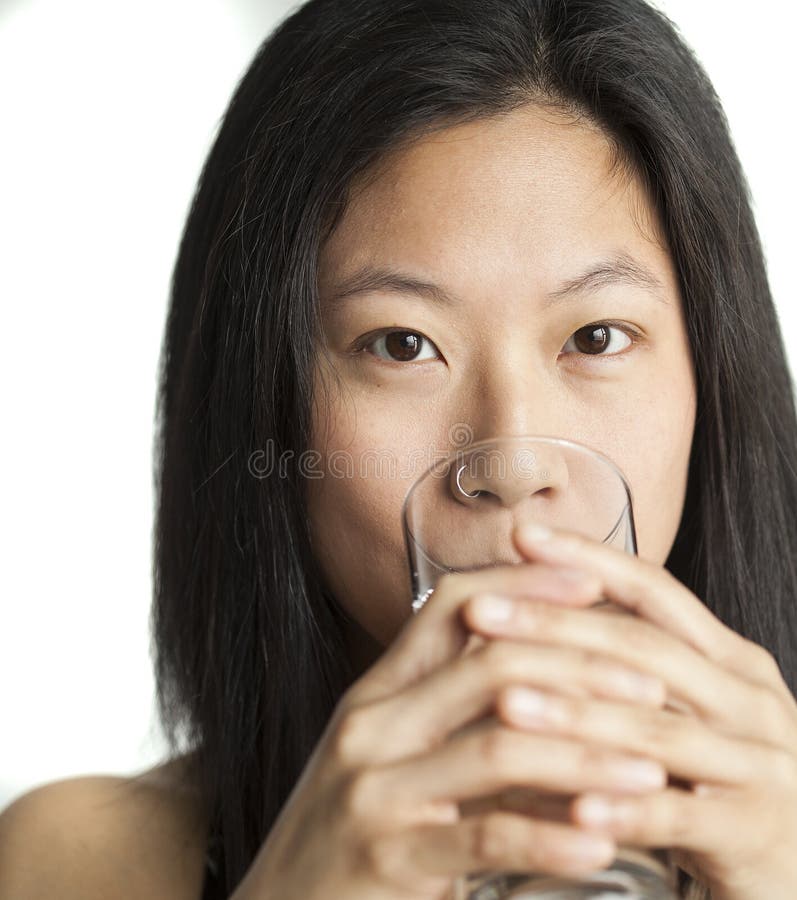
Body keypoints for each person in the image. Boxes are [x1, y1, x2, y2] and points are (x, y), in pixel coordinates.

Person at [1, 0, 796, 898]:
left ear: (712, 374)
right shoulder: (76, 864)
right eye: (401, 345)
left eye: (598, 337)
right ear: (267, 401)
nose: (512, 464)